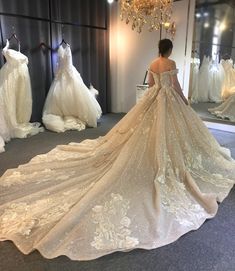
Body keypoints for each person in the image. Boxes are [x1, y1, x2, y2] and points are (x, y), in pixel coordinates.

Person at [0, 39, 234, 261]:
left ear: (158, 49)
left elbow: (152, 86)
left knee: (146, 132)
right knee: (175, 134)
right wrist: (184, 102)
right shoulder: (171, 64)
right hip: (169, 101)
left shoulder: (153, 63)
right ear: (170, 51)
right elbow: (175, 87)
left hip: (153, 101)